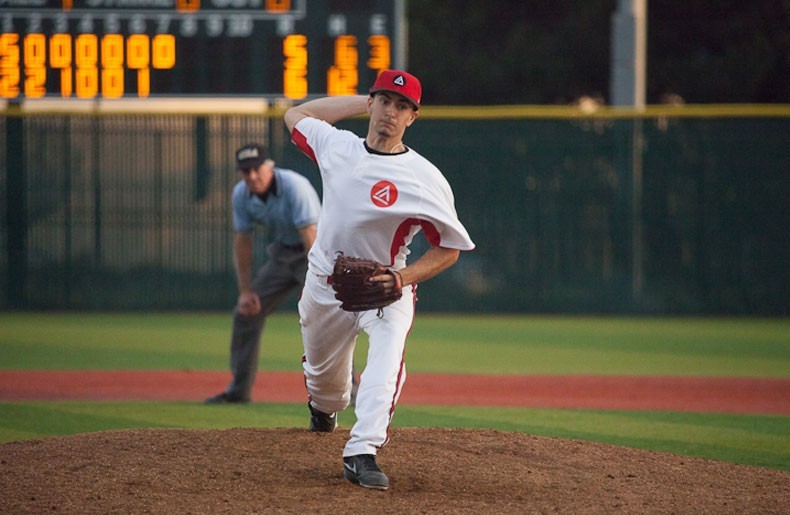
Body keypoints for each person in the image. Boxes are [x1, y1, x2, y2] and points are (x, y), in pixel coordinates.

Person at [284, 70, 475, 490]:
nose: (392, 111)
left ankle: (362, 450)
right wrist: (359, 100)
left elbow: (449, 248)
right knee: (325, 385)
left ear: (413, 117)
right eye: (385, 101)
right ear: (373, 104)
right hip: (324, 285)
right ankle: (324, 408)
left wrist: (402, 277)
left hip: (386, 288)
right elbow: (295, 114)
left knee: (386, 362)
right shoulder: (337, 147)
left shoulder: (425, 177)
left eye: (403, 106)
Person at [204, 143, 322, 404]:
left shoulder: (295, 186)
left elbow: (310, 239)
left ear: (270, 167)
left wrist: (317, 284)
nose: (252, 176)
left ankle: (349, 390)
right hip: (282, 256)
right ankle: (238, 391)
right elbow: (243, 241)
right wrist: (246, 291)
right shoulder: (241, 195)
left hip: (315, 255)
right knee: (246, 312)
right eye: (246, 172)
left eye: (257, 169)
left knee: (326, 316)